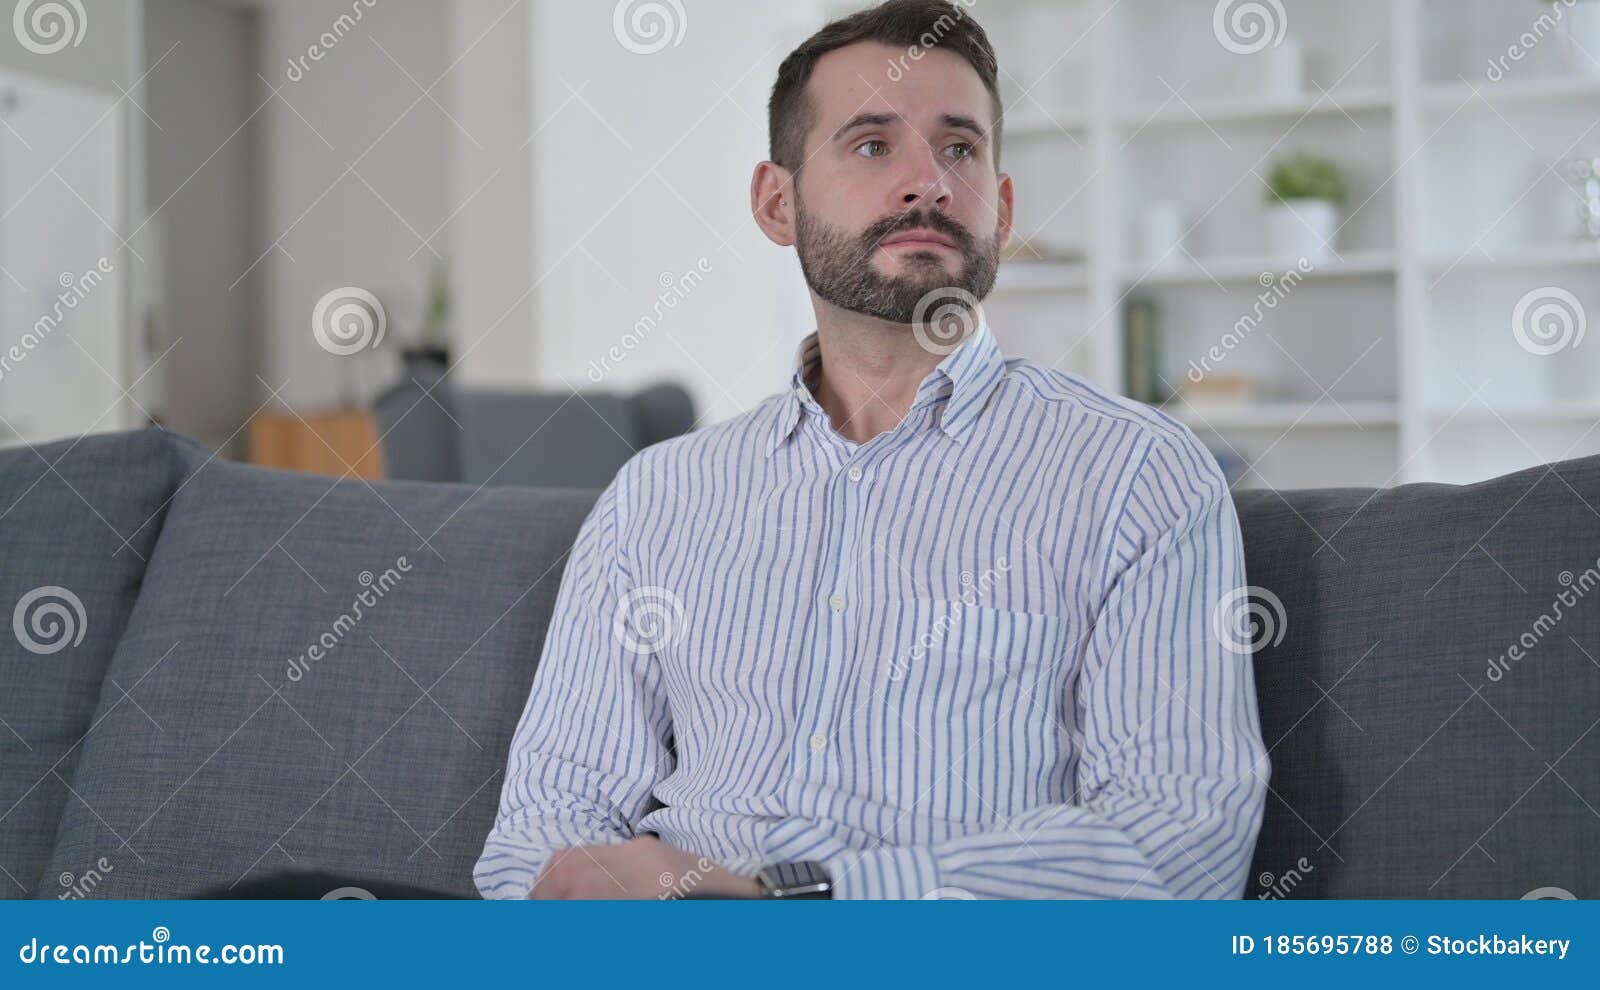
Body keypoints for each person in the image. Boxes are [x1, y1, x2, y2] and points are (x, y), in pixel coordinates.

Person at [476, 0, 1269, 900]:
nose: (927, 183)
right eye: (872, 144)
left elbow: (1179, 843)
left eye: (959, 148)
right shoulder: (655, 497)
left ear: (1003, 209)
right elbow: (548, 815)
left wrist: (792, 905)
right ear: (777, 203)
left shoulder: (1136, 475)